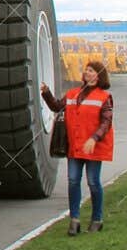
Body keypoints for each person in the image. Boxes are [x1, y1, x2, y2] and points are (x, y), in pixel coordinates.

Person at [42, 60, 114, 235]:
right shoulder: (73, 94)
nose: (87, 73)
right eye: (86, 70)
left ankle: (97, 219)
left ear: (98, 76)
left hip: (92, 148)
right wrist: (47, 93)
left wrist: (94, 138)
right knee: (73, 181)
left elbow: (106, 122)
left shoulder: (104, 97)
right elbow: (57, 106)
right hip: (75, 147)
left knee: (93, 182)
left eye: (91, 70)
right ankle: (74, 220)